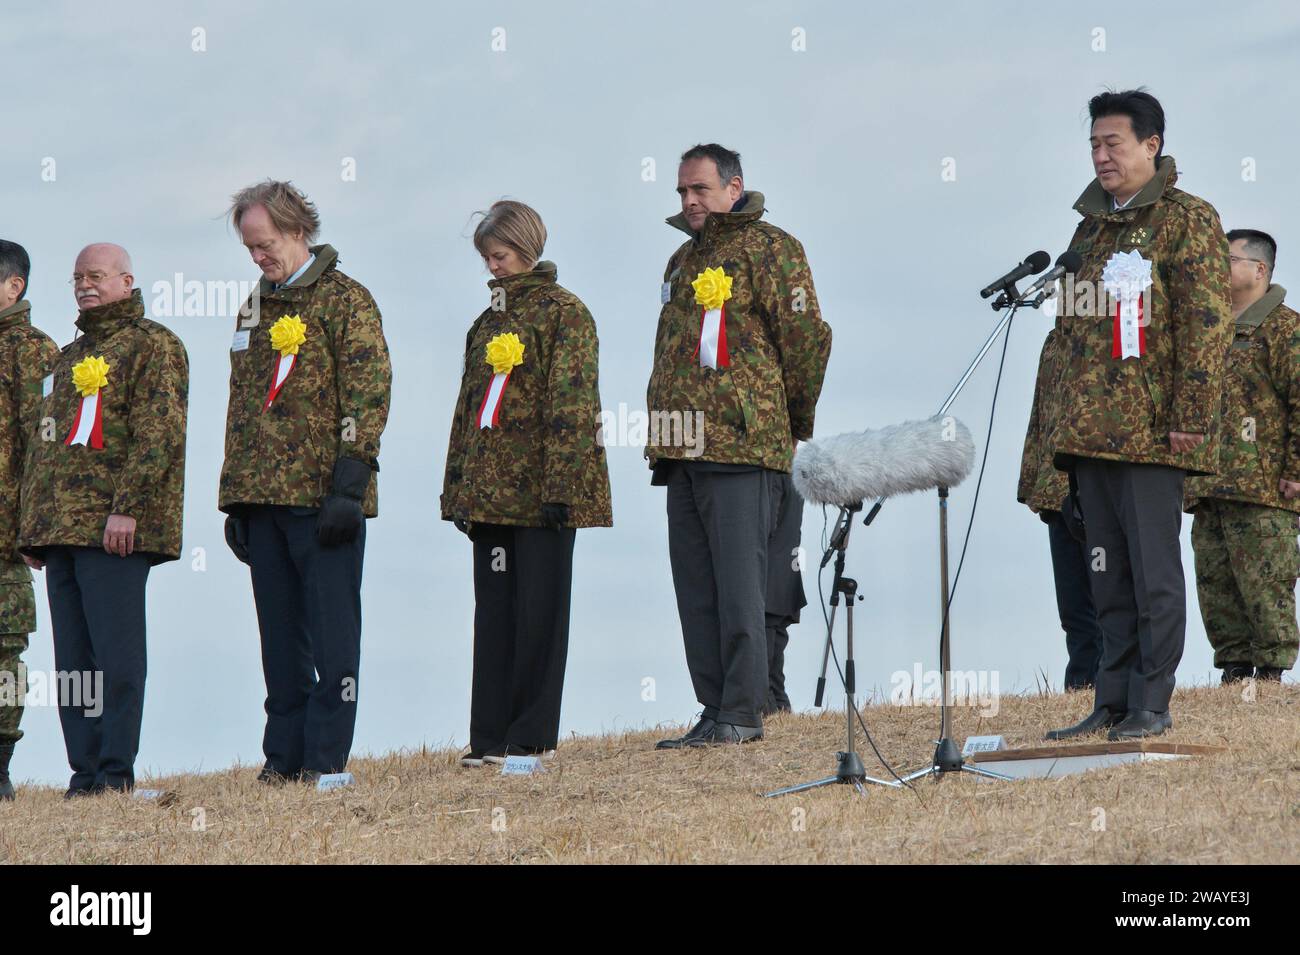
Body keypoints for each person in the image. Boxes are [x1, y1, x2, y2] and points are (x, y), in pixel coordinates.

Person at [1045, 90, 1232, 741]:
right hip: (1091, 436)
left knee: (1153, 574)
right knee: (1106, 574)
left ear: (1151, 145)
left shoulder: (1188, 220)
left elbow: (1206, 325)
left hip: (1153, 432)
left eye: (1113, 143)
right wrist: (1060, 429)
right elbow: (1069, 335)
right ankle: (1113, 698)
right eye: (1094, 145)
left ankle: (1152, 700)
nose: (1101, 156)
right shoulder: (1089, 230)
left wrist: (1190, 414)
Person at [647, 144, 831, 749]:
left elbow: (806, 341)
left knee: (739, 586)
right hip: (682, 448)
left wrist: (789, 424)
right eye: (682, 191)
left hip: (743, 448)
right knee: (696, 589)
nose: (689, 200)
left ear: (734, 187)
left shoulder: (774, 249)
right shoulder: (680, 260)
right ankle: (715, 708)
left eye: (699, 188)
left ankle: (745, 711)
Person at [219, 180, 391, 785]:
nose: (257, 256)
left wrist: (350, 485)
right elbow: (242, 407)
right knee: (279, 639)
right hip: (262, 500)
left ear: (296, 230)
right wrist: (235, 498)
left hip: (322, 500)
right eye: (249, 248)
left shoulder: (347, 300)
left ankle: (324, 759)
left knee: (333, 636)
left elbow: (368, 394)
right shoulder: (253, 307)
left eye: (264, 244)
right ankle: (283, 757)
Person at [441, 200, 612, 766]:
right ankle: (489, 738)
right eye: (487, 258)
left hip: (542, 498)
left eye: (501, 255)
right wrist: (458, 490)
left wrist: (562, 488)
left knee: (541, 617)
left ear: (528, 248)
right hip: (490, 497)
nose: (493, 267)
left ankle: (532, 739)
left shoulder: (567, 314)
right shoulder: (485, 324)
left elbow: (573, 404)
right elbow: (467, 411)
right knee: (493, 617)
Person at [20, 243, 189, 796]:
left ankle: (115, 772)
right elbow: (44, 448)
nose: (84, 285)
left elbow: (159, 433)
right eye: (77, 278)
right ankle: (85, 774)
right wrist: (34, 526)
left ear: (126, 281)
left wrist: (128, 507)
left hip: (113, 528)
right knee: (73, 663)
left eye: (95, 275)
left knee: (116, 657)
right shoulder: (66, 357)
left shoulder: (153, 344)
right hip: (60, 532)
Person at [1187, 229, 1298, 685]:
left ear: (1259, 269)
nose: (1219, 265)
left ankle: (1270, 674)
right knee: (1216, 583)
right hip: (1208, 483)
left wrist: (1296, 470)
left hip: (1263, 487)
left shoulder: (1285, 328)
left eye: (1229, 258)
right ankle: (1233, 670)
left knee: (1265, 584)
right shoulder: (1207, 329)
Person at [0, 240, 61, 800]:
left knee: (3, 654)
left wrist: (32, 526)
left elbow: (45, 448)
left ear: (13, 286)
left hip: (4, 538)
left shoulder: (33, 351)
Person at [1017, 319, 1103, 690]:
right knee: (1073, 604)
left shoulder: (1109, 334)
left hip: (1097, 486)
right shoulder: (1055, 341)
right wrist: (1030, 481)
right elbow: (1041, 414)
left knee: (1108, 596)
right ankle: (1081, 684)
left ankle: (1112, 683)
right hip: (1055, 490)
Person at [763, 472, 807, 714]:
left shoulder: (775, 474)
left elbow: (765, 525)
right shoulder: (795, 475)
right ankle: (778, 705)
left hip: (771, 571)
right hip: (787, 569)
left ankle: (770, 706)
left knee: (766, 647)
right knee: (775, 645)